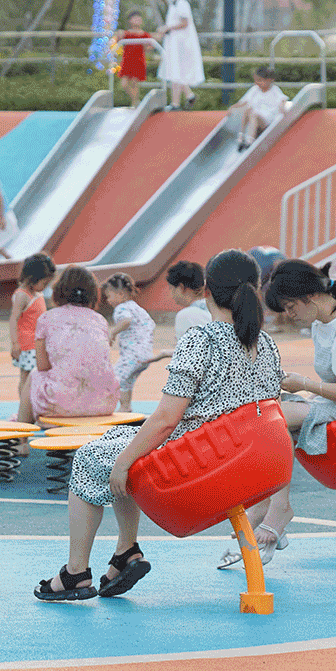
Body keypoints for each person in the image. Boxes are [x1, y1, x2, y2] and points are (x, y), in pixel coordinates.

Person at [34, 251, 279, 601]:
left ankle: (76, 573)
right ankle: (125, 553)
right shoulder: (265, 344)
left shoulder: (201, 340)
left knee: (91, 458)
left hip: (196, 462)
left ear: (206, 290)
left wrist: (123, 463)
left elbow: (166, 420)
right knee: (118, 437)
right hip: (237, 457)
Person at [235, 260, 336, 566]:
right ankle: (268, 501)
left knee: (272, 419)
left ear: (307, 297)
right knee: (263, 410)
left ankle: (276, 507)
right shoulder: (324, 321)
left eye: (290, 306)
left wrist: (304, 384)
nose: (289, 314)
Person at [28, 265, 121, 419]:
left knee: (34, 375)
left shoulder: (46, 318)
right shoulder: (100, 320)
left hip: (61, 404)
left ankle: (21, 436)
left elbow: (42, 366)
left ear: (59, 290)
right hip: (104, 403)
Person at [102, 272, 169, 413]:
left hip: (132, 356)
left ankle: (103, 407)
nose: (108, 300)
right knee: (127, 382)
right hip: (144, 354)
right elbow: (150, 324)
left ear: (120, 294)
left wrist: (113, 332)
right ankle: (126, 407)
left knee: (113, 378)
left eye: (109, 296)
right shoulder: (136, 307)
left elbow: (126, 321)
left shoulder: (121, 308)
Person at [9, 253, 56, 430]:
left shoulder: (36, 293)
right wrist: (15, 343)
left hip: (38, 343)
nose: (45, 286)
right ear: (31, 279)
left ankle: (34, 408)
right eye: (44, 282)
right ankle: (24, 411)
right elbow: (13, 319)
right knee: (26, 378)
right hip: (27, 345)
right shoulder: (22, 295)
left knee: (39, 376)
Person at [156, 0, 205, 110]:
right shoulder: (176, 2)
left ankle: (175, 103)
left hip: (181, 44)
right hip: (175, 42)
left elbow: (185, 23)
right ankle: (189, 95)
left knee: (176, 70)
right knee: (176, 69)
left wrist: (167, 27)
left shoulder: (181, 3)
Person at [228, 65, 288, 150]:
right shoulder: (255, 90)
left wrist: (283, 109)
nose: (257, 83)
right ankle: (241, 136)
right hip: (254, 117)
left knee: (253, 114)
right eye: (256, 80)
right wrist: (232, 107)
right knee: (247, 110)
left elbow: (282, 100)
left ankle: (250, 140)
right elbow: (243, 102)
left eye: (260, 80)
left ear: (269, 80)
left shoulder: (275, 90)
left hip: (266, 121)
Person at [116, 10, 156, 107]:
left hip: (138, 61)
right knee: (124, 84)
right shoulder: (126, 34)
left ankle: (134, 104)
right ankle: (136, 101)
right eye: (135, 18)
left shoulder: (144, 35)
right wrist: (119, 35)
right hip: (127, 61)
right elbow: (118, 41)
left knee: (134, 83)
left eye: (139, 18)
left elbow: (149, 48)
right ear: (130, 21)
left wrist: (148, 46)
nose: (138, 20)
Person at [167, 260, 210, 337]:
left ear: (181, 287)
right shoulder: (216, 308)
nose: (172, 294)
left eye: (172, 289)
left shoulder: (186, 315)